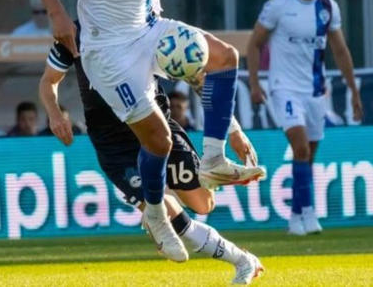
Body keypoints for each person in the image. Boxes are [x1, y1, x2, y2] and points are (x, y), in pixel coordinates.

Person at [28, 0, 294, 260]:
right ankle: (154, 213)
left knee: (224, 56)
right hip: (107, 51)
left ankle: (213, 158)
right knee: (158, 141)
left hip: (149, 28)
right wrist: (58, 14)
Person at [39, 27, 263, 284]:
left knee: (204, 204)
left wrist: (233, 130)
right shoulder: (74, 33)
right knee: (169, 215)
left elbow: (195, 76)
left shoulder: (140, 25)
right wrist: (55, 114)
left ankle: (166, 196)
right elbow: (48, 81)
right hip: (115, 143)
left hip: (158, 126)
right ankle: (242, 261)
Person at [247, 0, 363, 236]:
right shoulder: (278, 5)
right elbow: (254, 44)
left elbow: (340, 50)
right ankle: (309, 213)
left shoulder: (328, 7)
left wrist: (353, 90)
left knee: (308, 156)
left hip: (315, 91)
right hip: (284, 88)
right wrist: (254, 83)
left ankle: (295, 217)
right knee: (299, 148)